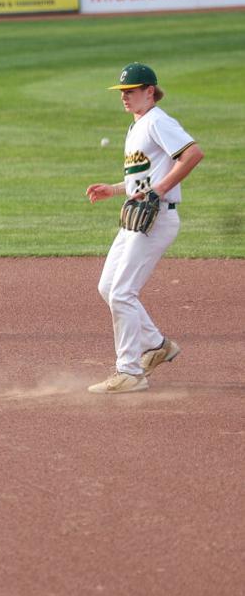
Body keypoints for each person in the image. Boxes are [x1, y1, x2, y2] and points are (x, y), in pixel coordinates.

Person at [84, 63, 204, 394]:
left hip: (157, 217)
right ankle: (156, 345)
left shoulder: (158, 121)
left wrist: (160, 190)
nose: (124, 97)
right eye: (122, 92)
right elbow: (143, 178)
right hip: (138, 215)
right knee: (109, 287)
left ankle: (130, 372)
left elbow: (193, 154)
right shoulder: (137, 124)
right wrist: (115, 188)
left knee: (123, 291)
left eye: (131, 91)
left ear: (149, 91)